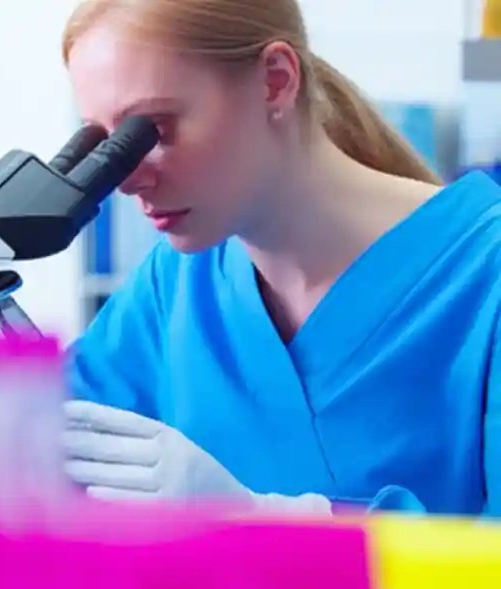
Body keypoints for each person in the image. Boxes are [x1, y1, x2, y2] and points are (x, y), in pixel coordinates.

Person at [59, 0, 501, 516]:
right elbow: (37, 457)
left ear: (275, 80)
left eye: (152, 129)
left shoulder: (483, 273)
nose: (127, 179)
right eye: (104, 142)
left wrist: (275, 522)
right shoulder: (175, 285)